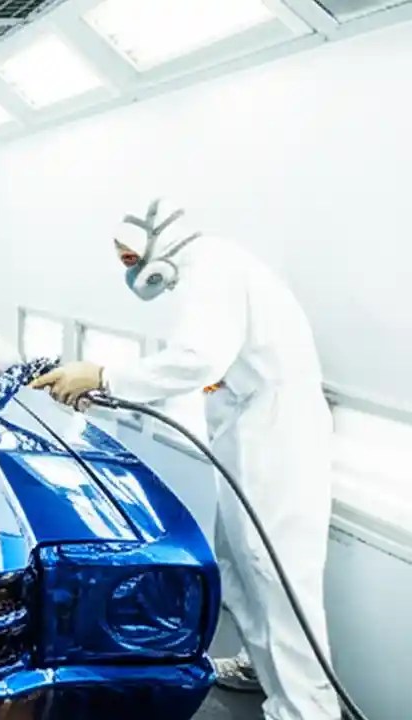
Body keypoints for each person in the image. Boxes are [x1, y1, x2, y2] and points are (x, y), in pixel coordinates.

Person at [29, 199, 339, 720]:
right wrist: (104, 388)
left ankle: (308, 710)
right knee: (241, 567)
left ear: (158, 242)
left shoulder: (211, 266)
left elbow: (198, 359)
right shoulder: (207, 271)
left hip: (280, 437)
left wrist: (102, 376)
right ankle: (262, 670)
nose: (129, 271)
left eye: (129, 259)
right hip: (249, 435)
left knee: (277, 574)